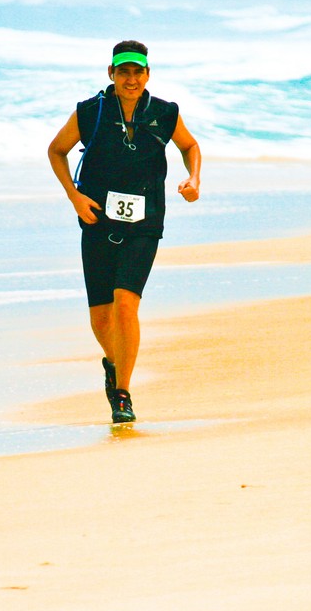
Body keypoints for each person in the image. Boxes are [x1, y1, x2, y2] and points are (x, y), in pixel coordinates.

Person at [46, 40, 201, 424]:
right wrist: (75, 197)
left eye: (138, 72)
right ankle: (113, 364)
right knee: (101, 318)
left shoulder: (165, 113)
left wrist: (193, 177)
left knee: (126, 302)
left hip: (145, 222)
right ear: (111, 73)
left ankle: (122, 393)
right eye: (123, 71)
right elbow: (56, 150)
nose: (131, 79)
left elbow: (189, 145)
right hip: (97, 218)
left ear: (148, 74)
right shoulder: (91, 112)